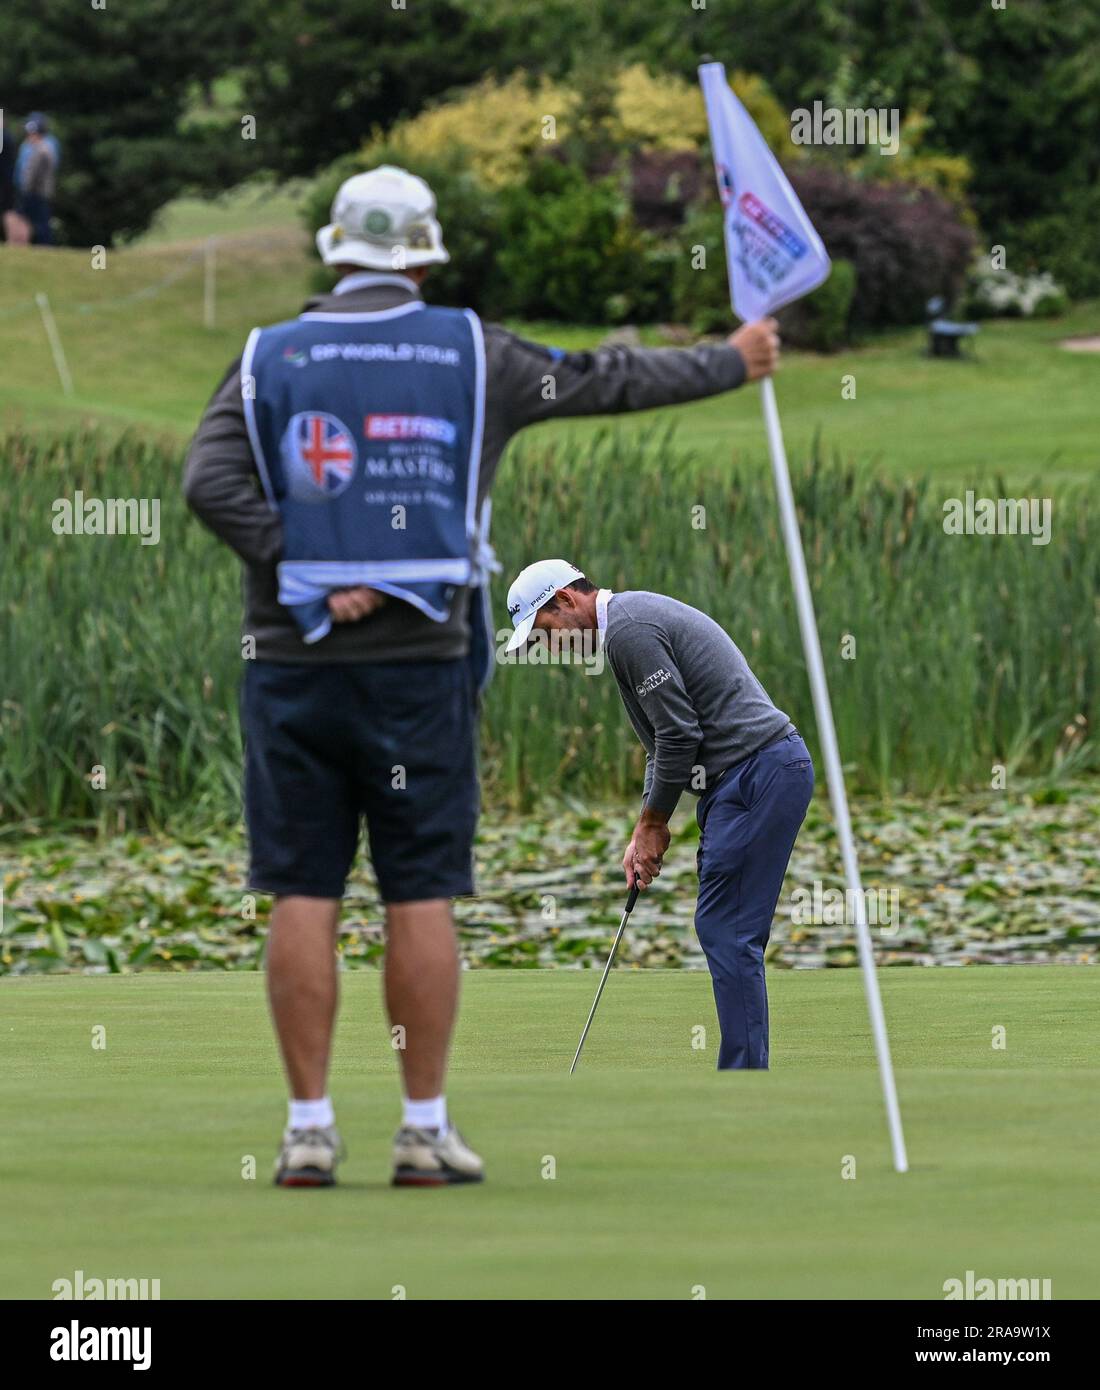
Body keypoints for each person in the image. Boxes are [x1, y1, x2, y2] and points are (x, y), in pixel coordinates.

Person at [184, 163, 781, 1188]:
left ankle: (308, 1130)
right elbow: (606, 378)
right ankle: (420, 1130)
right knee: (419, 888)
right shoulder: (470, 350)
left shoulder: (264, 355)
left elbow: (208, 481)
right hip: (420, 666)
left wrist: (305, 570)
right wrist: (729, 361)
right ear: (421, 256)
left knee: (302, 887)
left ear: (334, 252)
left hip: (290, 662)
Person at [503, 564, 814, 1070]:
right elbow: (661, 742)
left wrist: (654, 823)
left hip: (759, 771)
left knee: (727, 928)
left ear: (564, 601)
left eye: (543, 633)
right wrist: (644, 827)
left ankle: (745, 1081)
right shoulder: (624, 629)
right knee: (725, 926)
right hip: (747, 776)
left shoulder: (629, 629)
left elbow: (679, 735)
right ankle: (746, 1073)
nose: (547, 648)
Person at [18, 114, 57, 246]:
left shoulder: (42, 149)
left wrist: (27, 188)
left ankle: (43, 245)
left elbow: (34, 174)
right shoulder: (41, 148)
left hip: (36, 191)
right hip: (37, 191)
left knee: (40, 222)